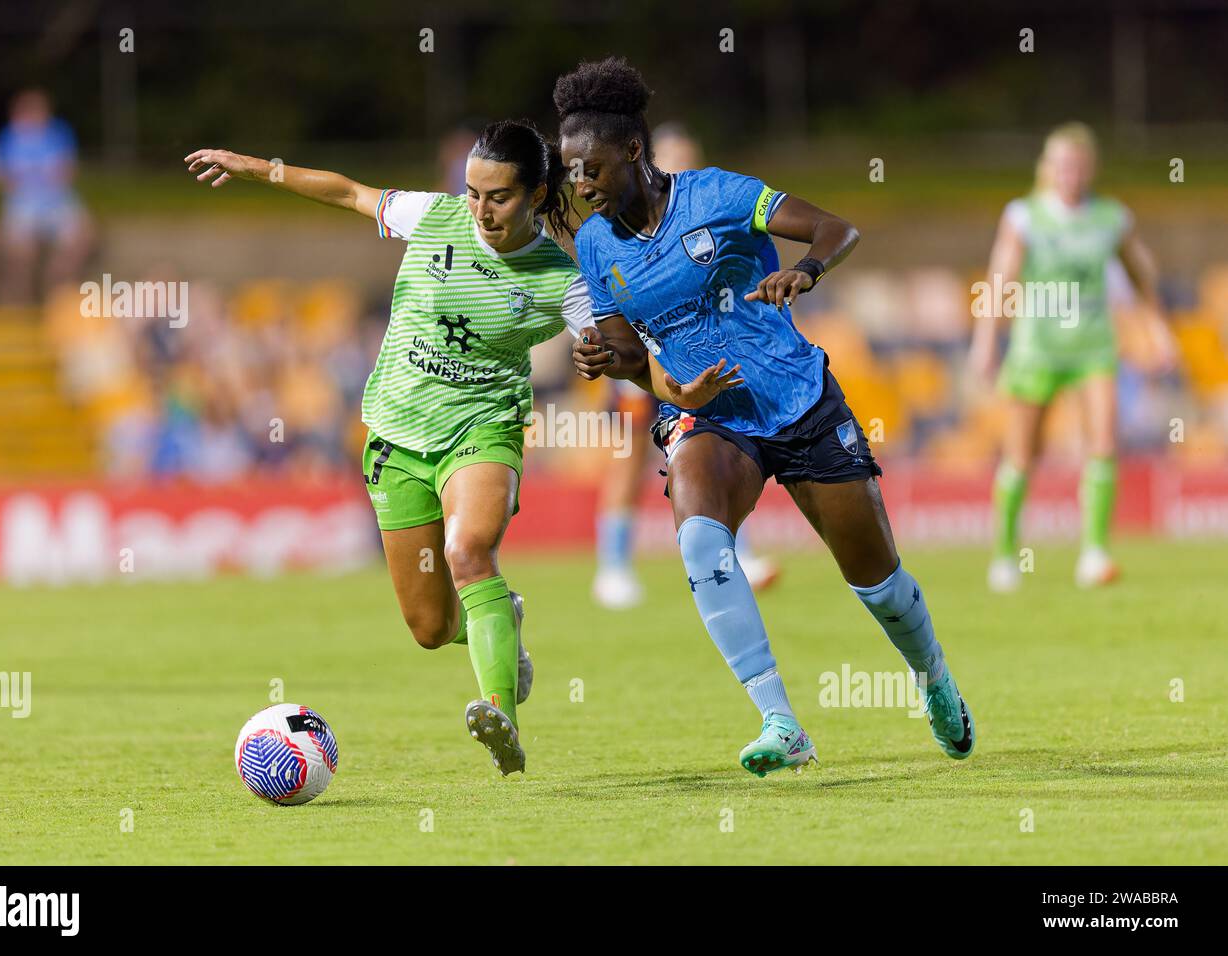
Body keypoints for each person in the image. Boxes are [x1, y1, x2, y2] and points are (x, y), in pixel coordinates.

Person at [183, 121, 728, 776]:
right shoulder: (433, 216)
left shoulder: (565, 280)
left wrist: (675, 388)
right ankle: (501, 623)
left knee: (469, 550)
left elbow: (628, 359)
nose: (480, 209)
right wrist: (256, 166)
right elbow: (349, 193)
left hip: (482, 430)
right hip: (396, 437)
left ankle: (500, 712)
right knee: (430, 628)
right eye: (472, 193)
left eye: (497, 196)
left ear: (535, 194)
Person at [560, 57, 974, 776]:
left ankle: (933, 676)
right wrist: (604, 357)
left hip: (797, 399)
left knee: (878, 584)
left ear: (632, 150)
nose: (580, 184)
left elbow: (835, 229)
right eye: (569, 172)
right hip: (709, 416)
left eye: (590, 167)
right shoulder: (595, 244)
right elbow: (628, 349)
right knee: (698, 539)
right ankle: (780, 721)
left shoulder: (717, 194)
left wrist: (802, 271)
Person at [969, 122, 1178, 592]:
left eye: (1079, 165)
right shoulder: (1024, 217)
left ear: (1090, 169)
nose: (1071, 173)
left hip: (1094, 348)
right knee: (1023, 455)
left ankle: (1095, 553)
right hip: (1036, 350)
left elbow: (1141, 275)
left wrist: (1159, 328)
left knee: (1104, 444)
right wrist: (985, 343)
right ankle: (1004, 555)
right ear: (1048, 168)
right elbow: (1000, 281)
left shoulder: (1111, 218)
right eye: (1063, 164)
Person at [591, 121, 780, 609]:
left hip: (695, 358)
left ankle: (739, 552)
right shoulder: (619, 230)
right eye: (676, 161)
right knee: (629, 457)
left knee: (724, 446)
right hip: (645, 358)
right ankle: (612, 564)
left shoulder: (702, 215)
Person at [0, 89, 92, 302]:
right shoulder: (9, 137)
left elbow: (67, 172)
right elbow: (4, 179)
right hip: (23, 204)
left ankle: (56, 296)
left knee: (82, 238)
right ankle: (21, 305)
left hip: (58, 202)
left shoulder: (59, 132)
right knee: (20, 253)